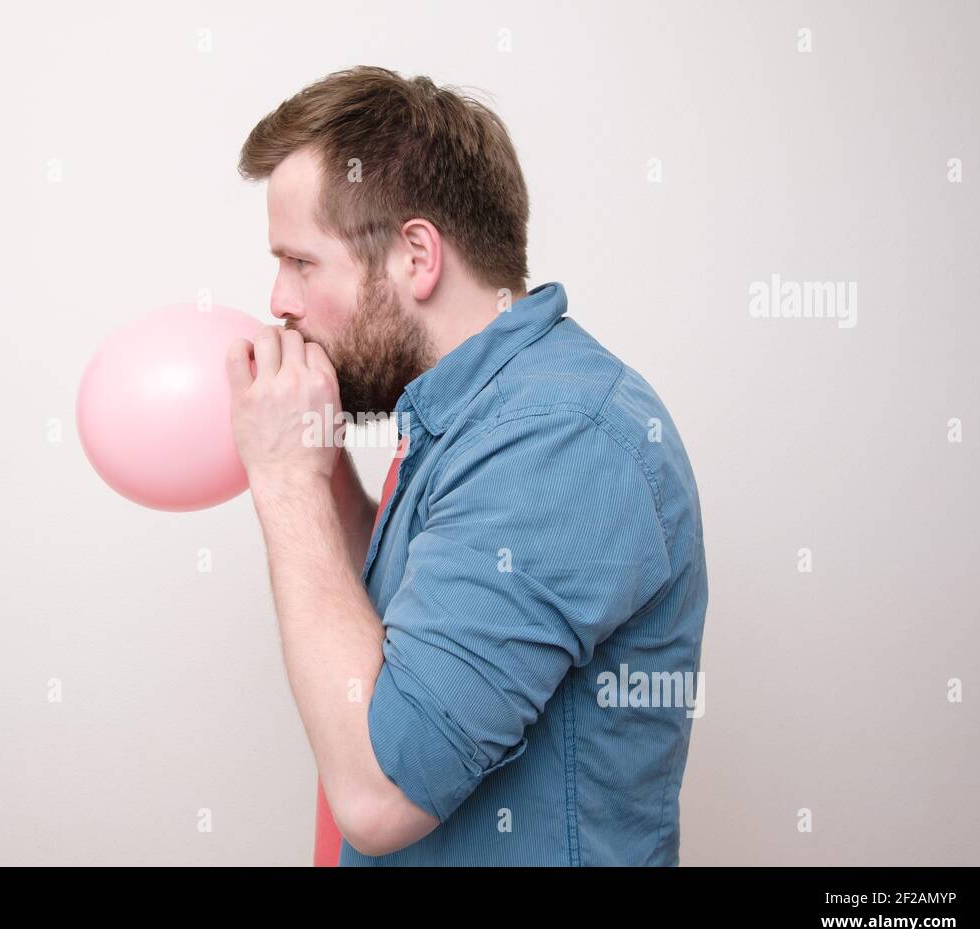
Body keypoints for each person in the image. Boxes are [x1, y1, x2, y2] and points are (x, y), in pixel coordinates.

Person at [225, 66, 708, 865]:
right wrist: (316, 459)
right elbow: (393, 639)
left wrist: (285, 480)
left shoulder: (557, 439)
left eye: (301, 262)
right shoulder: (473, 412)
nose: (279, 299)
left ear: (417, 257)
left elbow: (382, 795)